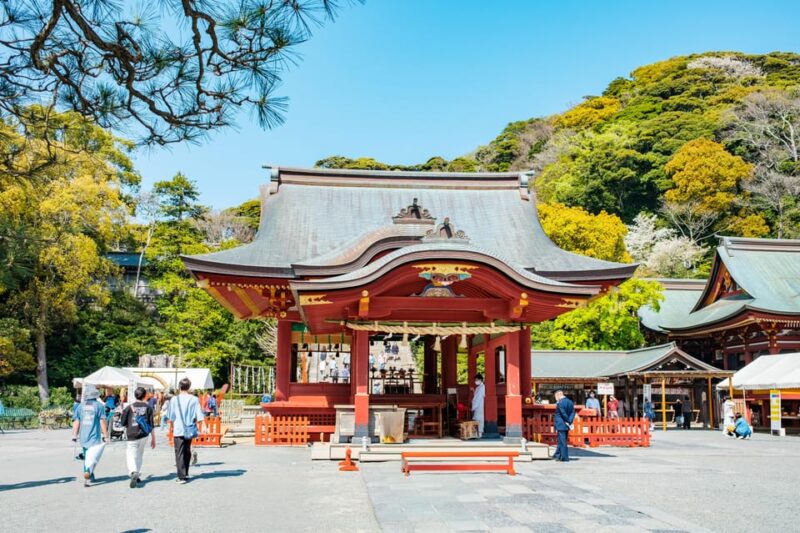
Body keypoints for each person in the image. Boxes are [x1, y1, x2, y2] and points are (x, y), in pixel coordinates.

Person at [167, 378, 204, 483]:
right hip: (189, 428)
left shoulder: (174, 399)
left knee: (179, 452)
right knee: (187, 450)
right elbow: (199, 414)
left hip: (178, 428)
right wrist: (203, 424)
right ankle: (186, 473)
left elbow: (171, 415)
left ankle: (181, 476)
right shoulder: (194, 399)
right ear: (189, 387)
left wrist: (171, 422)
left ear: (179, 386)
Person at [71, 384, 109, 487]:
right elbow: (102, 421)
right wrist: (105, 435)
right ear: (96, 395)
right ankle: (88, 472)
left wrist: (74, 435)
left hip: (83, 436)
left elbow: (77, 421)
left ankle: (89, 473)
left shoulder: (80, 406)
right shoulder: (99, 406)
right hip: (94, 436)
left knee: (88, 455)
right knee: (93, 456)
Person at [120, 387, 156, 488]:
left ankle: (133, 471)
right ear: (145, 396)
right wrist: (153, 438)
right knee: (140, 454)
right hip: (144, 434)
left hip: (132, 434)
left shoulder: (128, 407)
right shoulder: (148, 407)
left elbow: (123, 422)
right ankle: (138, 473)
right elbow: (151, 424)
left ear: (135, 395)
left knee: (131, 454)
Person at [553, 389, 576, 462]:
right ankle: (557, 455)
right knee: (561, 440)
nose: (556, 398)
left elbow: (563, 414)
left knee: (562, 441)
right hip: (567, 424)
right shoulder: (570, 402)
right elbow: (573, 412)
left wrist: (567, 420)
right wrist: (570, 421)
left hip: (561, 424)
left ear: (558, 395)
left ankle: (564, 457)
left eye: (555, 396)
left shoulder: (560, 403)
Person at [471, 373, 486, 438]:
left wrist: (474, 405)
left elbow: (479, 397)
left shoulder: (483, 387)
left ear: (481, 380)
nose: (476, 381)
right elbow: (476, 395)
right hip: (476, 404)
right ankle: (476, 432)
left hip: (480, 404)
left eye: (477, 380)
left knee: (480, 418)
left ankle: (480, 432)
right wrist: (473, 390)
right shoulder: (478, 388)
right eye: (475, 380)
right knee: (476, 418)